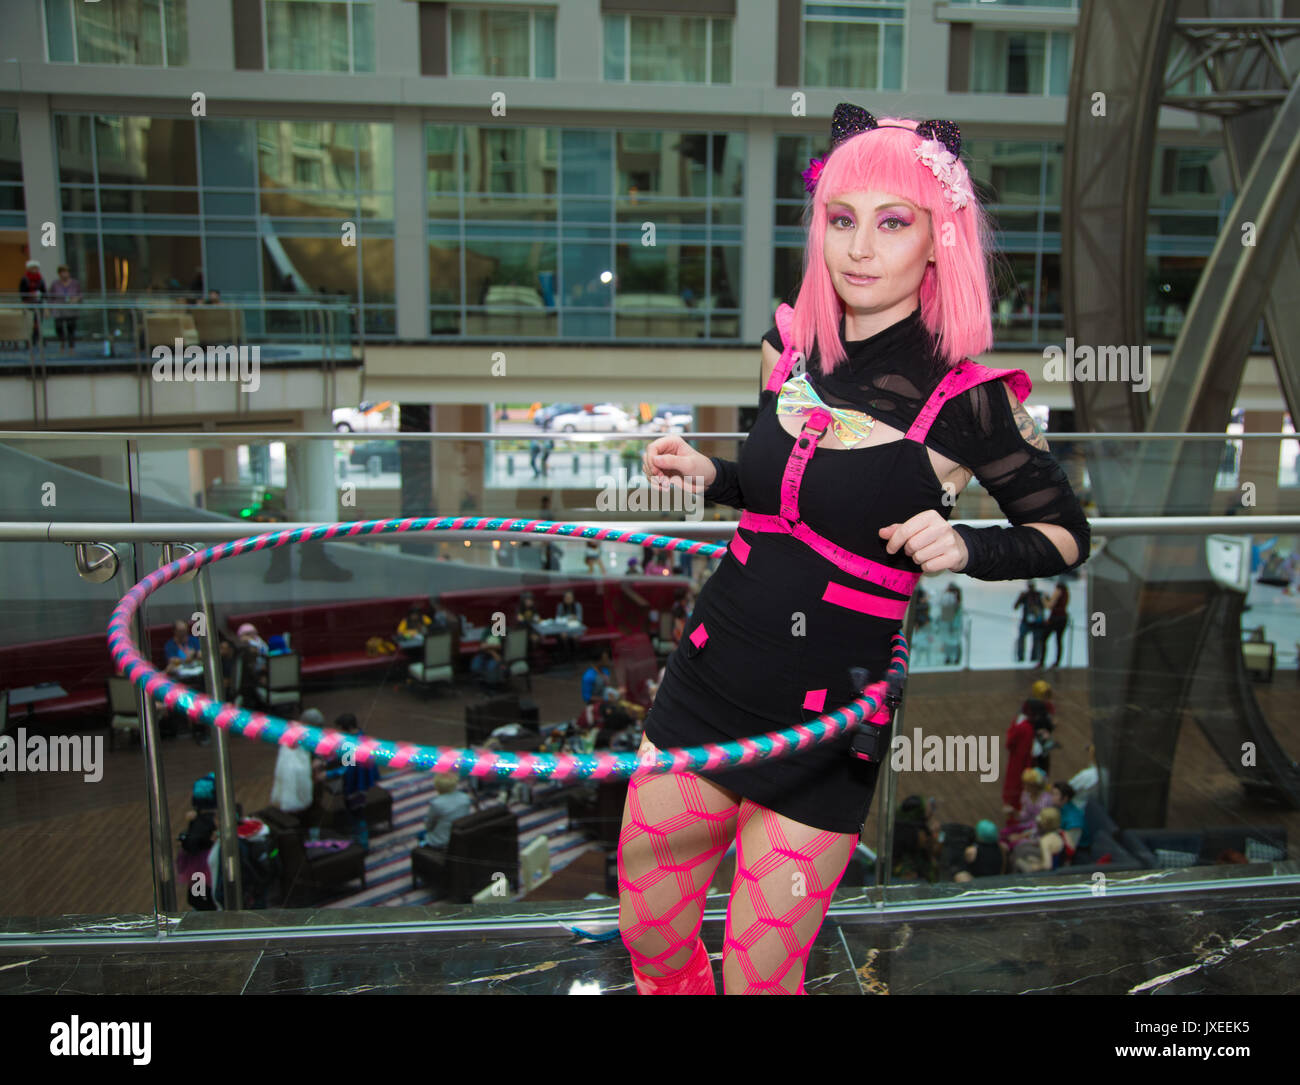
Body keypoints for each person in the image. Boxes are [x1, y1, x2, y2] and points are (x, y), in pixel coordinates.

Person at [620, 105, 1090, 995]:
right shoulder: (787, 348)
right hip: (708, 682)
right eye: (842, 219)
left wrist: (966, 544)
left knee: (760, 979)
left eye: (893, 222)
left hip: (826, 720)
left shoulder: (968, 401)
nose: (860, 248)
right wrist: (710, 471)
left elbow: (1068, 534)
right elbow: (780, 496)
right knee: (650, 936)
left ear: (937, 240)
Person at [420, 773, 475, 850]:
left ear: (437, 786)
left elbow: (429, 825)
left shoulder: (436, 804)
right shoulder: (465, 798)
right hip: (461, 836)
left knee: (420, 835)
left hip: (441, 841)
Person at [48, 265, 81, 349]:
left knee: (71, 329)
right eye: (62, 272)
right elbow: (50, 297)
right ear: (59, 274)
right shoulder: (55, 284)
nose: (65, 274)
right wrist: (48, 309)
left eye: (66, 272)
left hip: (71, 309)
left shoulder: (75, 283)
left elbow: (80, 294)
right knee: (59, 327)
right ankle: (62, 343)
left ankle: (71, 347)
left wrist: (76, 299)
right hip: (59, 310)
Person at [1013, 580, 1046, 664]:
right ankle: (1024, 658)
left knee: (1033, 640)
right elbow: (1015, 606)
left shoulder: (1036, 595)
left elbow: (1015, 606)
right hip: (1030, 622)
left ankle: (1028, 658)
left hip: (1033, 623)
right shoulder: (1036, 595)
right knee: (1027, 639)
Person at [1042, 579, 1069, 668]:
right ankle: (1057, 662)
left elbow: (1049, 606)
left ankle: (1042, 661)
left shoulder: (1058, 591)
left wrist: (1044, 599)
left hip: (1055, 618)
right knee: (1059, 641)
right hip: (1064, 618)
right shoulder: (1066, 592)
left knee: (1044, 638)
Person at [18, 260, 46, 345]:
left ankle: (37, 338)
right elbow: (22, 292)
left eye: (36, 268)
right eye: (33, 267)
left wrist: (39, 295)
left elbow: (44, 291)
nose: (34, 269)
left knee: (38, 322)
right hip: (28, 303)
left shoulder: (40, 279)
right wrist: (29, 295)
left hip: (38, 303)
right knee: (30, 322)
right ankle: (29, 340)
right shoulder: (25, 278)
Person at [555, 589, 584, 662]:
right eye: (566, 598)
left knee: (575, 637)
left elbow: (579, 619)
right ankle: (566, 656)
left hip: (575, 628)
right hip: (564, 628)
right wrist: (570, 618)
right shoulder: (561, 606)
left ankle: (576, 656)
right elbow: (558, 619)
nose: (568, 599)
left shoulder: (577, 605)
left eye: (570, 598)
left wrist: (573, 618)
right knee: (563, 636)